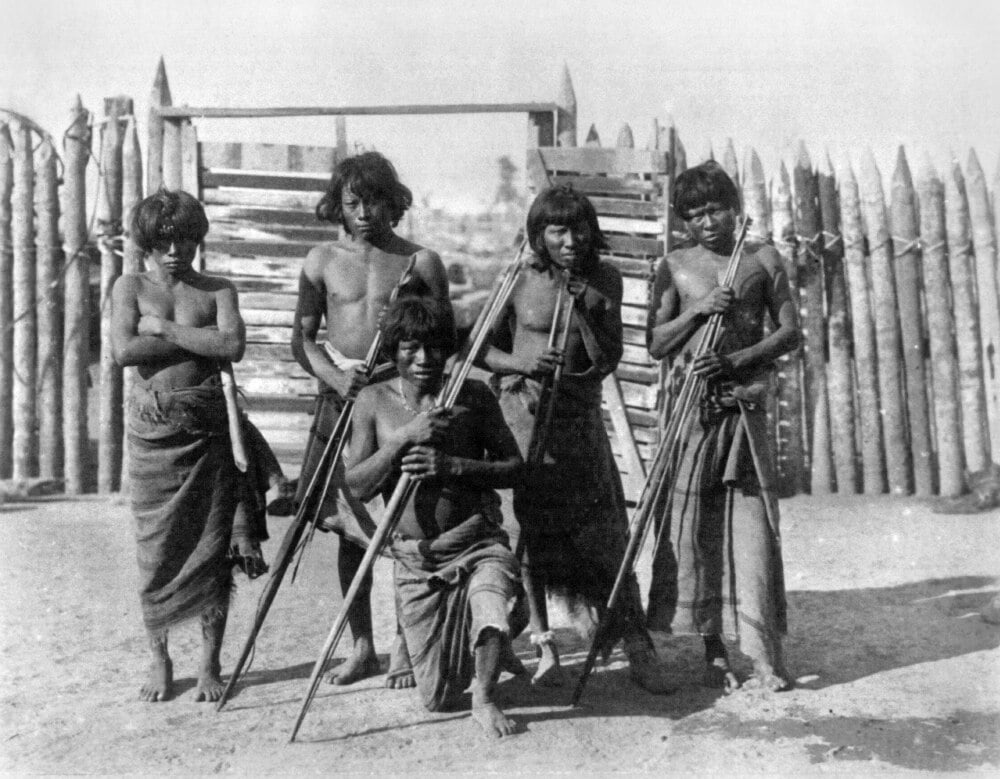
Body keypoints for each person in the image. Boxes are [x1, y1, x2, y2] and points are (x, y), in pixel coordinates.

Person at [483, 185, 674, 693]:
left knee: (606, 530)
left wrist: (582, 311)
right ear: (539, 235)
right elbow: (480, 350)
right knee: (530, 533)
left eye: (579, 228)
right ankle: (544, 645)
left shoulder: (604, 279)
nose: (570, 241)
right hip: (522, 418)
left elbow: (608, 358)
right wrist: (522, 363)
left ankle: (635, 644)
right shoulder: (516, 279)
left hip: (578, 419)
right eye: (557, 231)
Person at [291, 151, 449, 687]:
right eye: (353, 202)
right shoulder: (319, 261)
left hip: (397, 398)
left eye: (375, 201)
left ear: (394, 202)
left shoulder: (419, 263)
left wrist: (400, 329)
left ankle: (409, 640)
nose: (364, 213)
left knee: (412, 518)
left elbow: (442, 338)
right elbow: (303, 338)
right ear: (337, 203)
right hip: (342, 399)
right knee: (348, 528)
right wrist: (337, 381)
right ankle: (362, 645)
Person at [645, 160, 799, 692]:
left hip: (745, 408)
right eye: (693, 214)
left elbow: (789, 333)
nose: (707, 222)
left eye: (715, 209)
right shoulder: (674, 265)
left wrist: (736, 362)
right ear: (682, 221)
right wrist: (698, 311)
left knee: (753, 530)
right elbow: (657, 344)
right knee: (697, 533)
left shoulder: (763, 258)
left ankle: (763, 656)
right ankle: (712, 650)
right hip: (693, 414)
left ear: (735, 207)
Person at [345, 296, 525, 738]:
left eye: (434, 348)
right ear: (393, 350)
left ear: (448, 350)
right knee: (439, 698)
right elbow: (357, 485)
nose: (424, 359)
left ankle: (485, 695)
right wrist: (402, 440)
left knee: (490, 599)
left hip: (476, 541)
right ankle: (476, 647)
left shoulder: (473, 396)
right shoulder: (373, 401)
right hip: (419, 561)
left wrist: (453, 467)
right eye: (410, 348)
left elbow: (515, 467)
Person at [111, 189, 266, 702]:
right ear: (148, 243)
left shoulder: (218, 290)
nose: (176, 250)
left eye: (186, 239)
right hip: (154, 436)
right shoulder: (128, 286)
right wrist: (194, 337)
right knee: (156, 553)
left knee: (211, 549)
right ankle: (160, 661)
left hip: (209, 435)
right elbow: (124, 351)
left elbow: (232, 347)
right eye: (164, 240)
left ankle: (209, 665)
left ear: (199, 238)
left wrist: (164, 327)